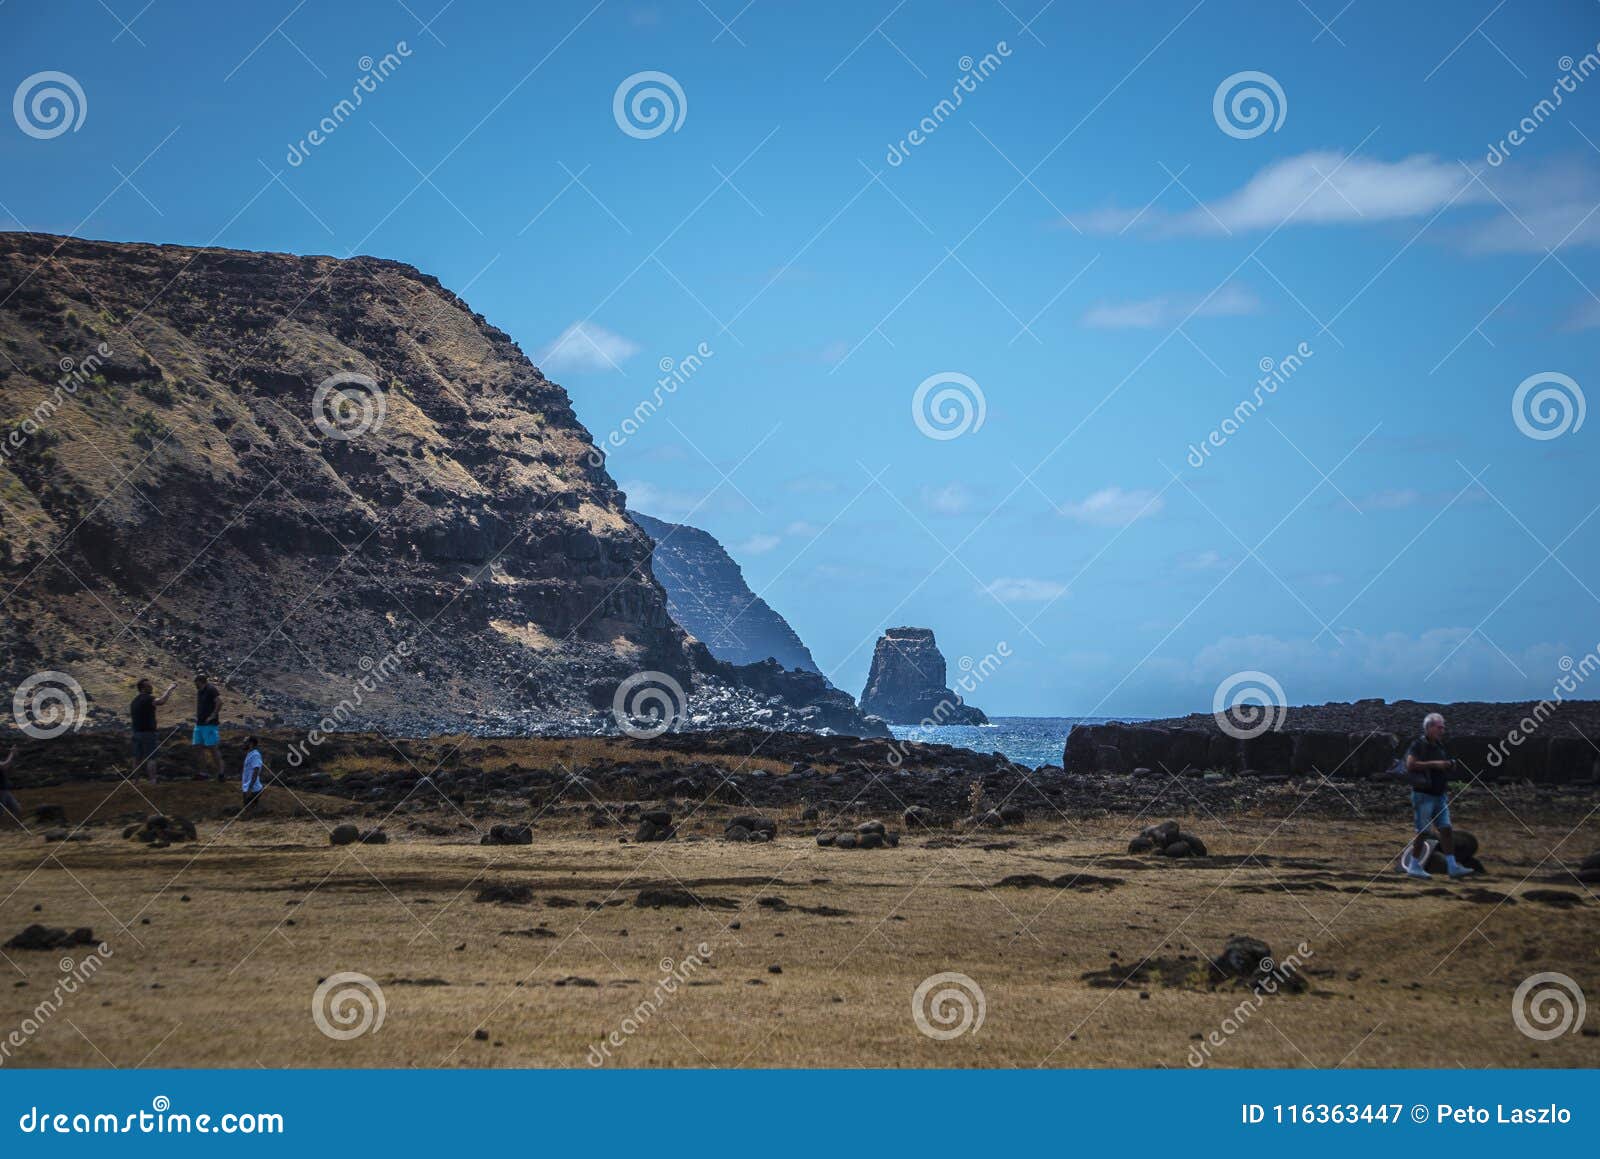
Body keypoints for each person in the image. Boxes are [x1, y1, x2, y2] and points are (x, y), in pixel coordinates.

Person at [1401, 712, 1473, 879]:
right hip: (1423, 795)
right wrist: (1435, 764)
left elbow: (1442, 765)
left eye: (1443, 727)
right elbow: (1410, 764)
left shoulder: (1440, 746)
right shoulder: (1418, 744)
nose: (1443, 730)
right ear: (1429, 727)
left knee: (1446, 829)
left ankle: (1452, 866)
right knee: (1423, 831)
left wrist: (1448, 765)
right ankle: (1413, 865)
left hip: (1439, 795)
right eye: (1439, 727)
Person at [130, 677, 177, 785]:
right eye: (148, 685)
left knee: (137, 758)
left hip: (136, 733)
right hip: (148, 733)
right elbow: (161, 701)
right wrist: (170, 689)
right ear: (142, 688)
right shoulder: (148, 698)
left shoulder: (134, 702)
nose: (151, 687)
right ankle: (152, 780)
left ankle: (135, 781)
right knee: (151, 757)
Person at [192, 673, 223, 782]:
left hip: (209, 724)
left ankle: (221, 773)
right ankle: (203, 773)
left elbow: (219, 702)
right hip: (200, 724)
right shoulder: (200, 691)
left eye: (196, 683)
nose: (195, 685)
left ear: (200, 681)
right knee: (197, 747)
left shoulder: (211, 689)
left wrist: (213, 715)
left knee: (213, 748)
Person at [240, 736, 265, 813]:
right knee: (250, 809)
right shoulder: (250, 754)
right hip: (249, 788)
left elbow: (256, 770)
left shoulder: (255, 755)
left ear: (250, 744)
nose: (243, 744)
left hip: (253, 789)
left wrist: (250, 787)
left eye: (245, 742)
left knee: (248, 810)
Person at [0, 745, 19, 822]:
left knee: (16, 808)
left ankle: (11, 826)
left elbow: (6, 766)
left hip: (4, 789)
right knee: (1, 812)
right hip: (0, 790)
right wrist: (12, 754)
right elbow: (4, 766)